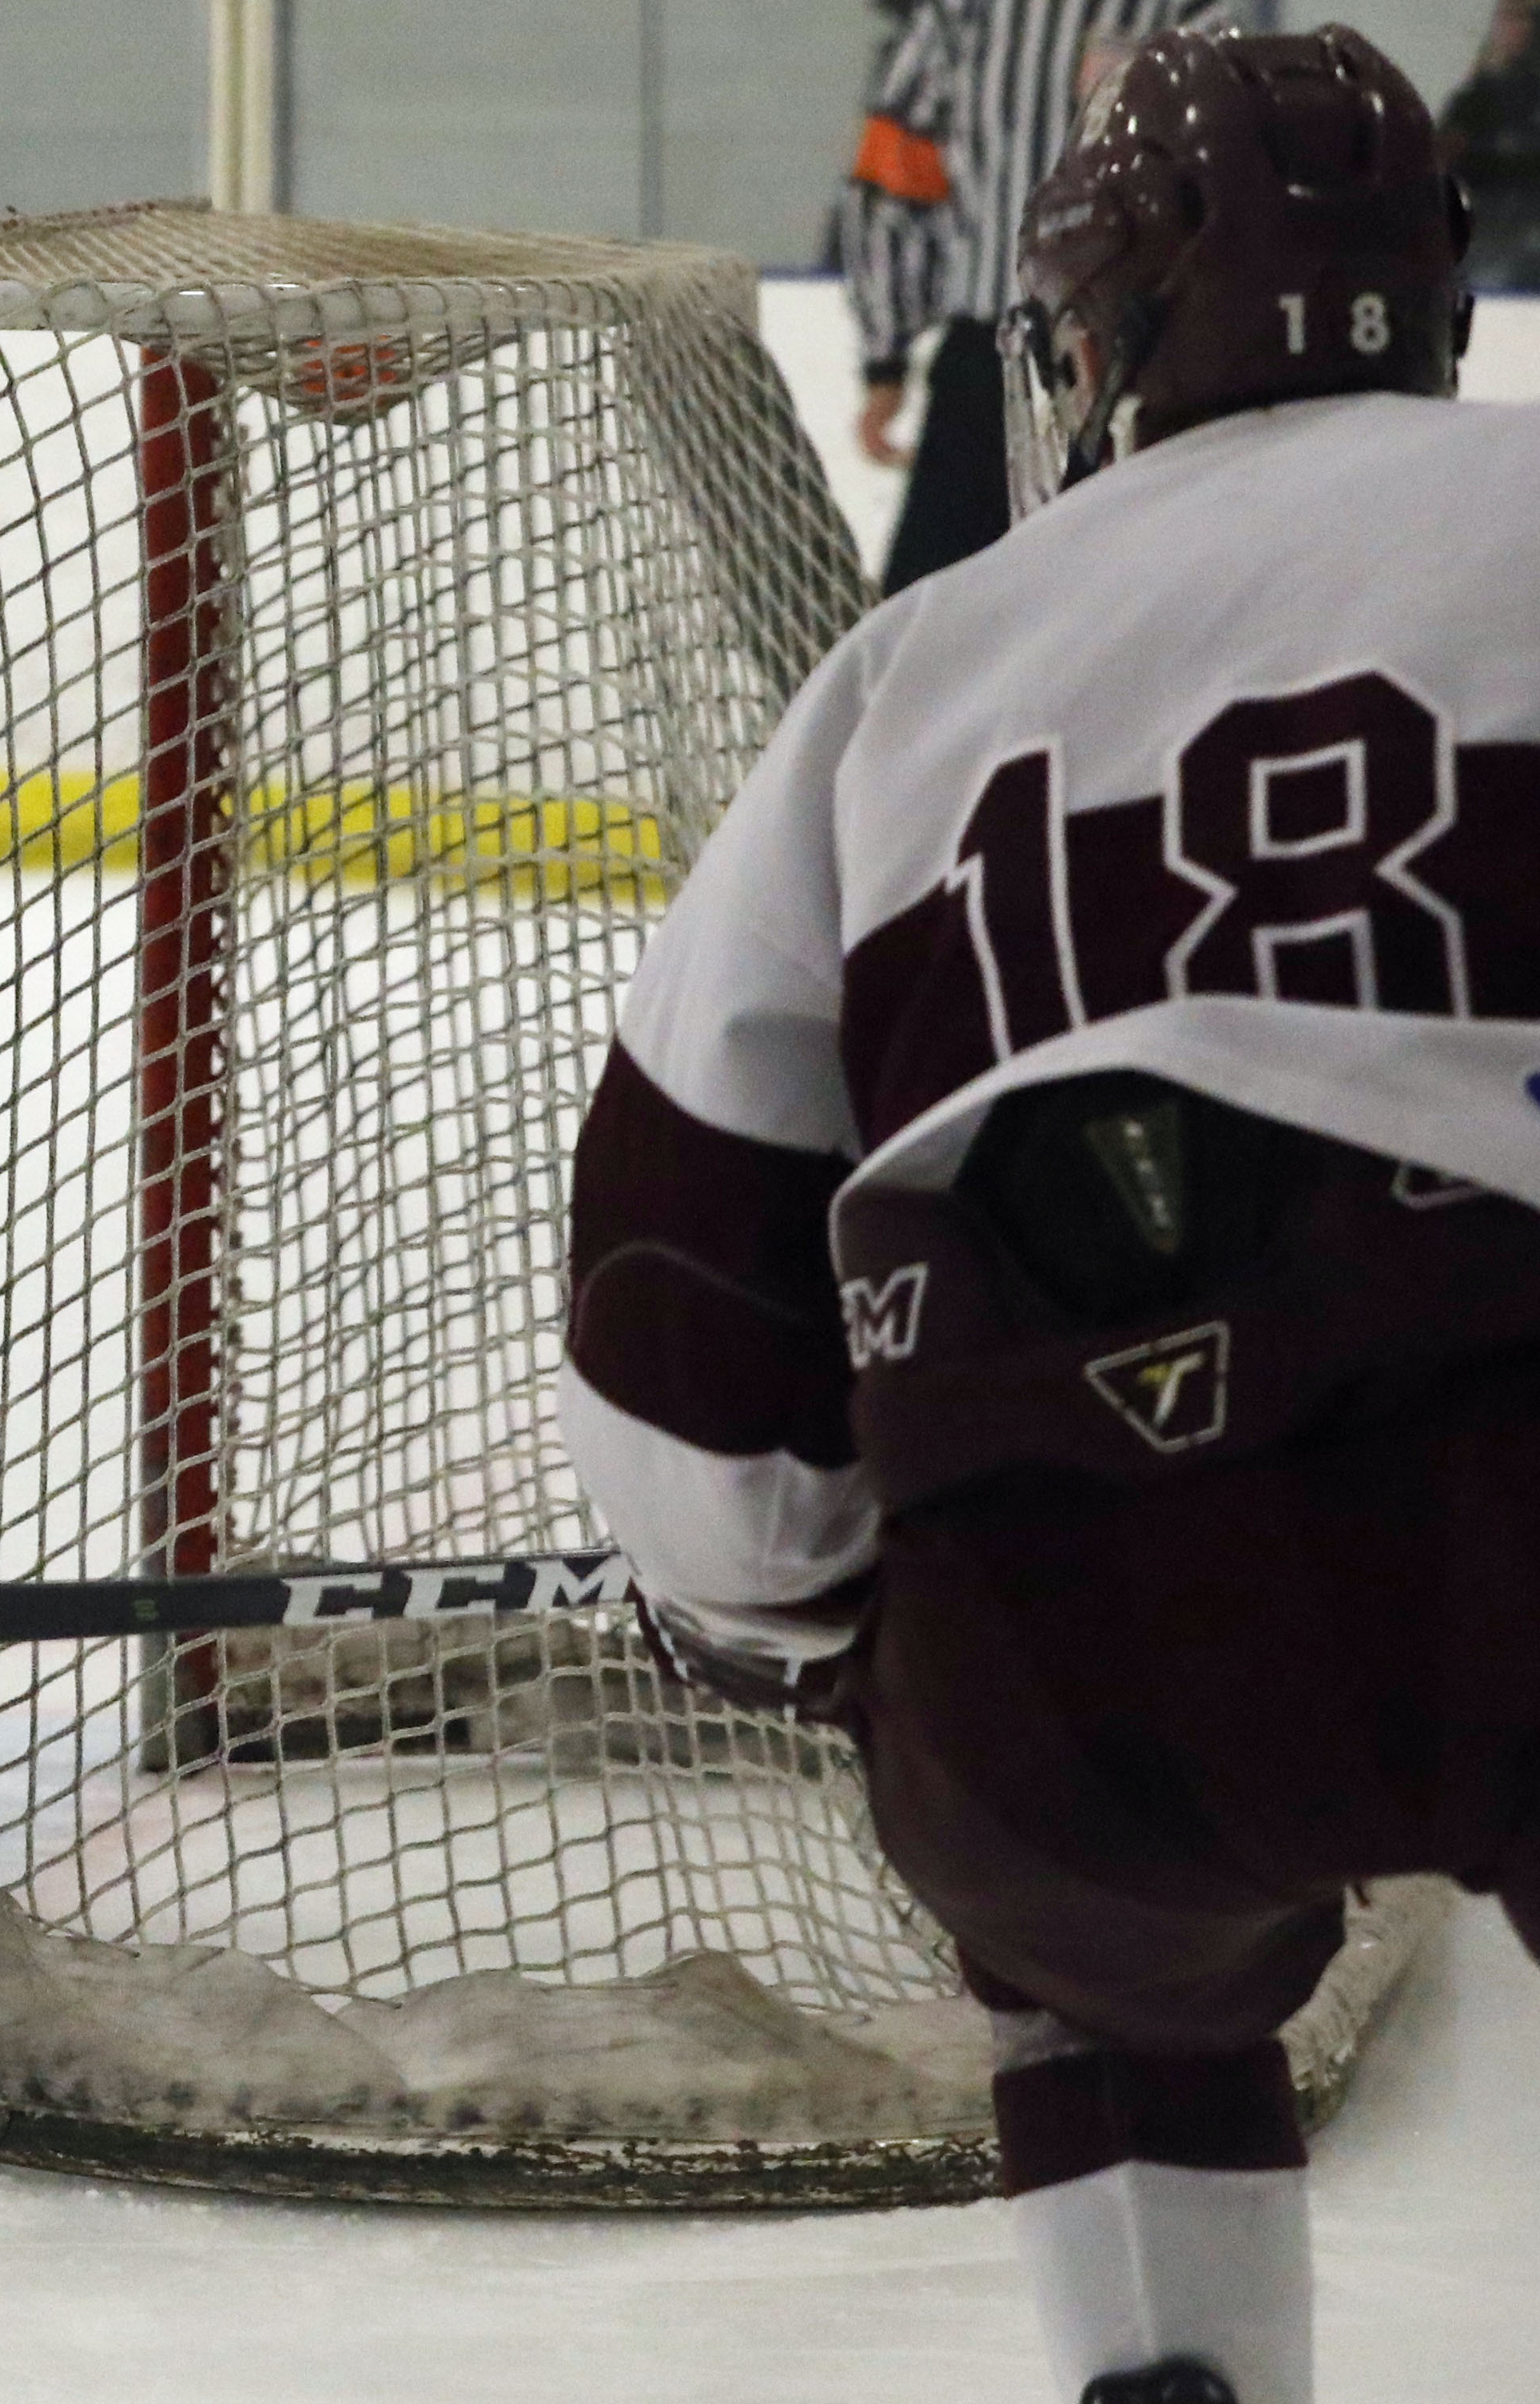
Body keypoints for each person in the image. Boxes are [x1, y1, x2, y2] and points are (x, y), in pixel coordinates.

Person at [563, 28, 1517, 2402]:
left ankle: (1169, 2373)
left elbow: (675, 1310)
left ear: (1092, 336)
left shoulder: (902, 678)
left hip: (1076, 1638)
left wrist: (803, 1607)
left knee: (1086, 1938)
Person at [842, 0, 1228, 594]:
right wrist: (884, 354)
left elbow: (896, 182)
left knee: (940, 637)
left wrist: (886, 351)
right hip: (1122, 360)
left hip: (1024, 359)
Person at [1439, 0, 1540, 287]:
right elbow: (1443, 162)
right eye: (1508, 20)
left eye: (1525, 20)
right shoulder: (1477, 100)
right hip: (1487, 239)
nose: (1516, 30)